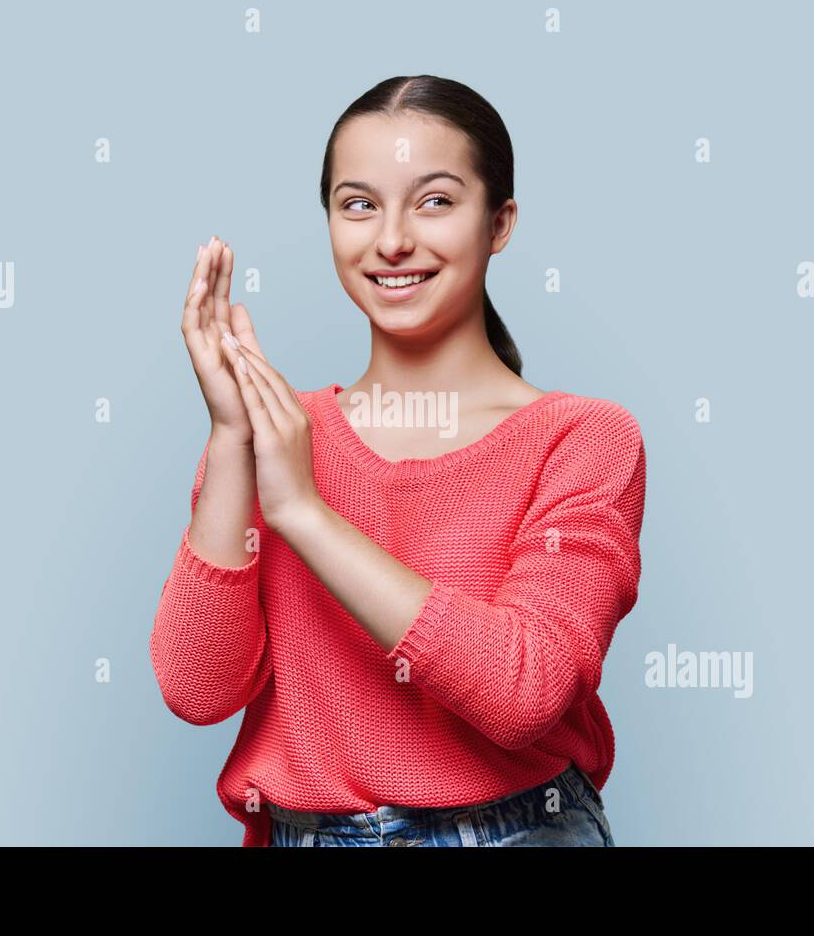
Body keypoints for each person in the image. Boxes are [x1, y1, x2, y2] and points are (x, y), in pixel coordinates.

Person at [150, 74, 646, 847]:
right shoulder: (276, 431)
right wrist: (230, 442)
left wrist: (304, 514)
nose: (392, 240)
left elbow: (527, 689)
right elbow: (196, 688)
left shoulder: (582, 439)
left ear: (500, 221)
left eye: (436, 201)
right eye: (358, 204)